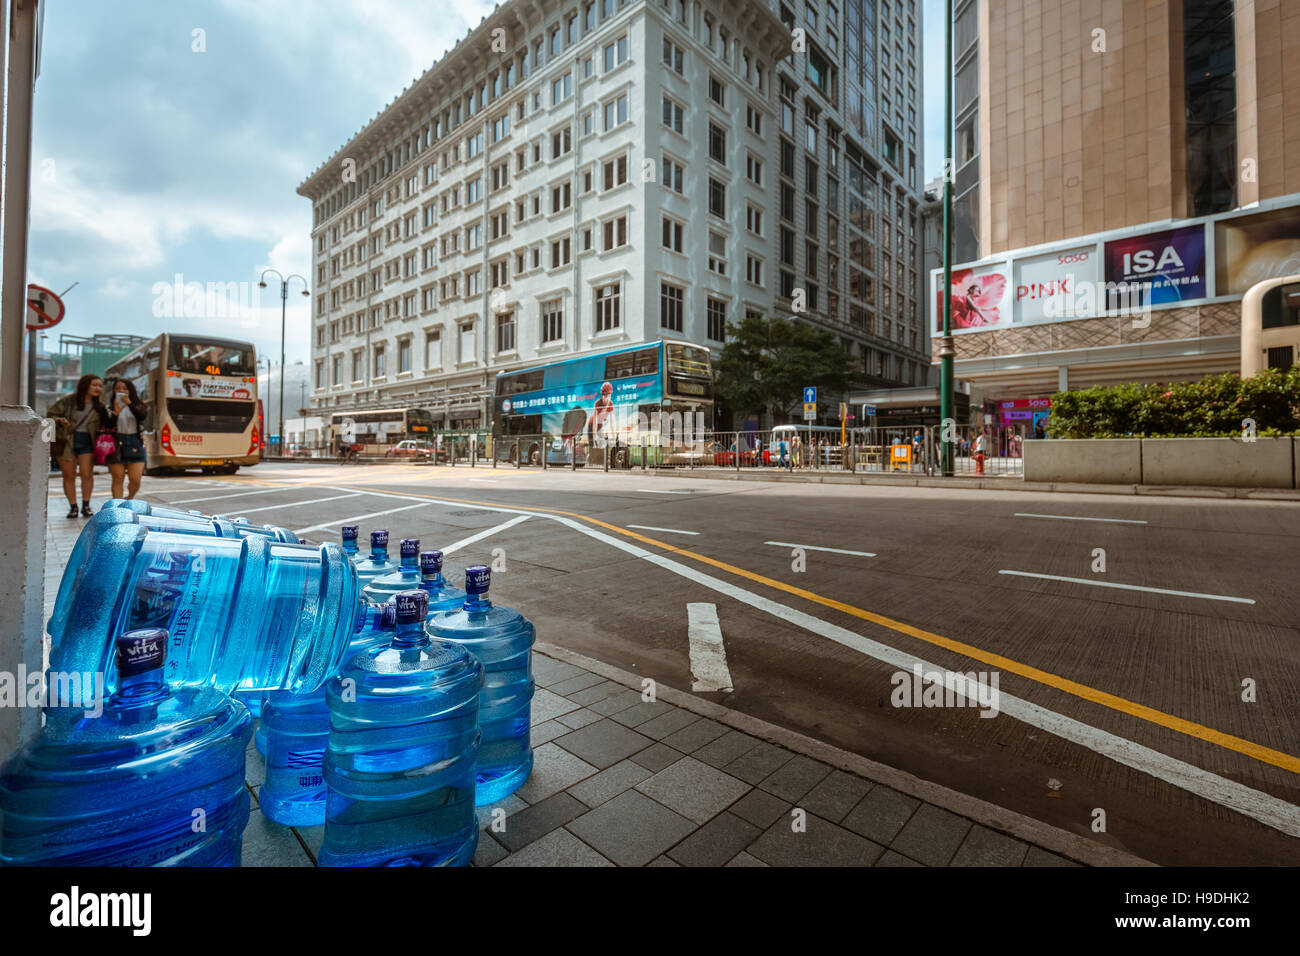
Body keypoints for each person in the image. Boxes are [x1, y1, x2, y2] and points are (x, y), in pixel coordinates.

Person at [47, 374, 107, 518]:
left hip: (88, 441)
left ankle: (86, 506)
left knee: (87, 474)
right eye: (94, 385)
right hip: (67, 440)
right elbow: (51, 415)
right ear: (85, 385)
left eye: (100, 385)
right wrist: (60, 420)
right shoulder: (68, 401)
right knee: (69, 475)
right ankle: (73, 507)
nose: (98, 388)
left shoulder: (100, 406)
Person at [104, 378, 149, 499]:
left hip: (135, 442)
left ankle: (129, 498)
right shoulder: (109, 408)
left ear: (130, 391)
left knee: (136, 479)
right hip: (116, 443)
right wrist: (116, 413)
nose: (121, 391)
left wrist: (129, 403)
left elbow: (142, 416)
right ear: (113, 391)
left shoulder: (138, 406)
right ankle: (118, 507)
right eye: (118, 388)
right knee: (117, 478)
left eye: (124, 388)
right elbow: (107, 425)